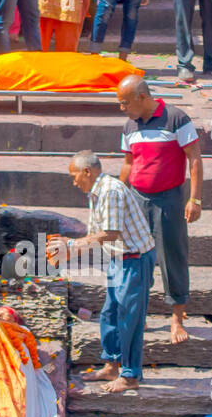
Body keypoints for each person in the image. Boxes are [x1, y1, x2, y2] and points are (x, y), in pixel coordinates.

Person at [52, 151, 155, 394]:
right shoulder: (96, 193)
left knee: (130, 319)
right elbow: (98, 236)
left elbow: (110, 233)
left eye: (74, 176)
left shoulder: (110, 191)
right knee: (110, 312)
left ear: (87, 171)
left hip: (135, 259)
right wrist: (70, 246)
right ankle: (111, 364)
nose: (74, 181)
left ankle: (130, 376)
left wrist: (70, 246)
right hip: (119, 257)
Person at [117, 76, 201, 344]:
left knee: (172, 257)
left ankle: (177, 318)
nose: (122, 108)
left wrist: (195, 199)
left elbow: (195, 158)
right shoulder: (130, 125)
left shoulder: (176, 119)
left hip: (168, 200)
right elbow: (129, 163)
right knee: (137, 259)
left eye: (125, 102)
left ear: (142, 97)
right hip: (137, 199)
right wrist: (117, 195)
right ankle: (137, 315)